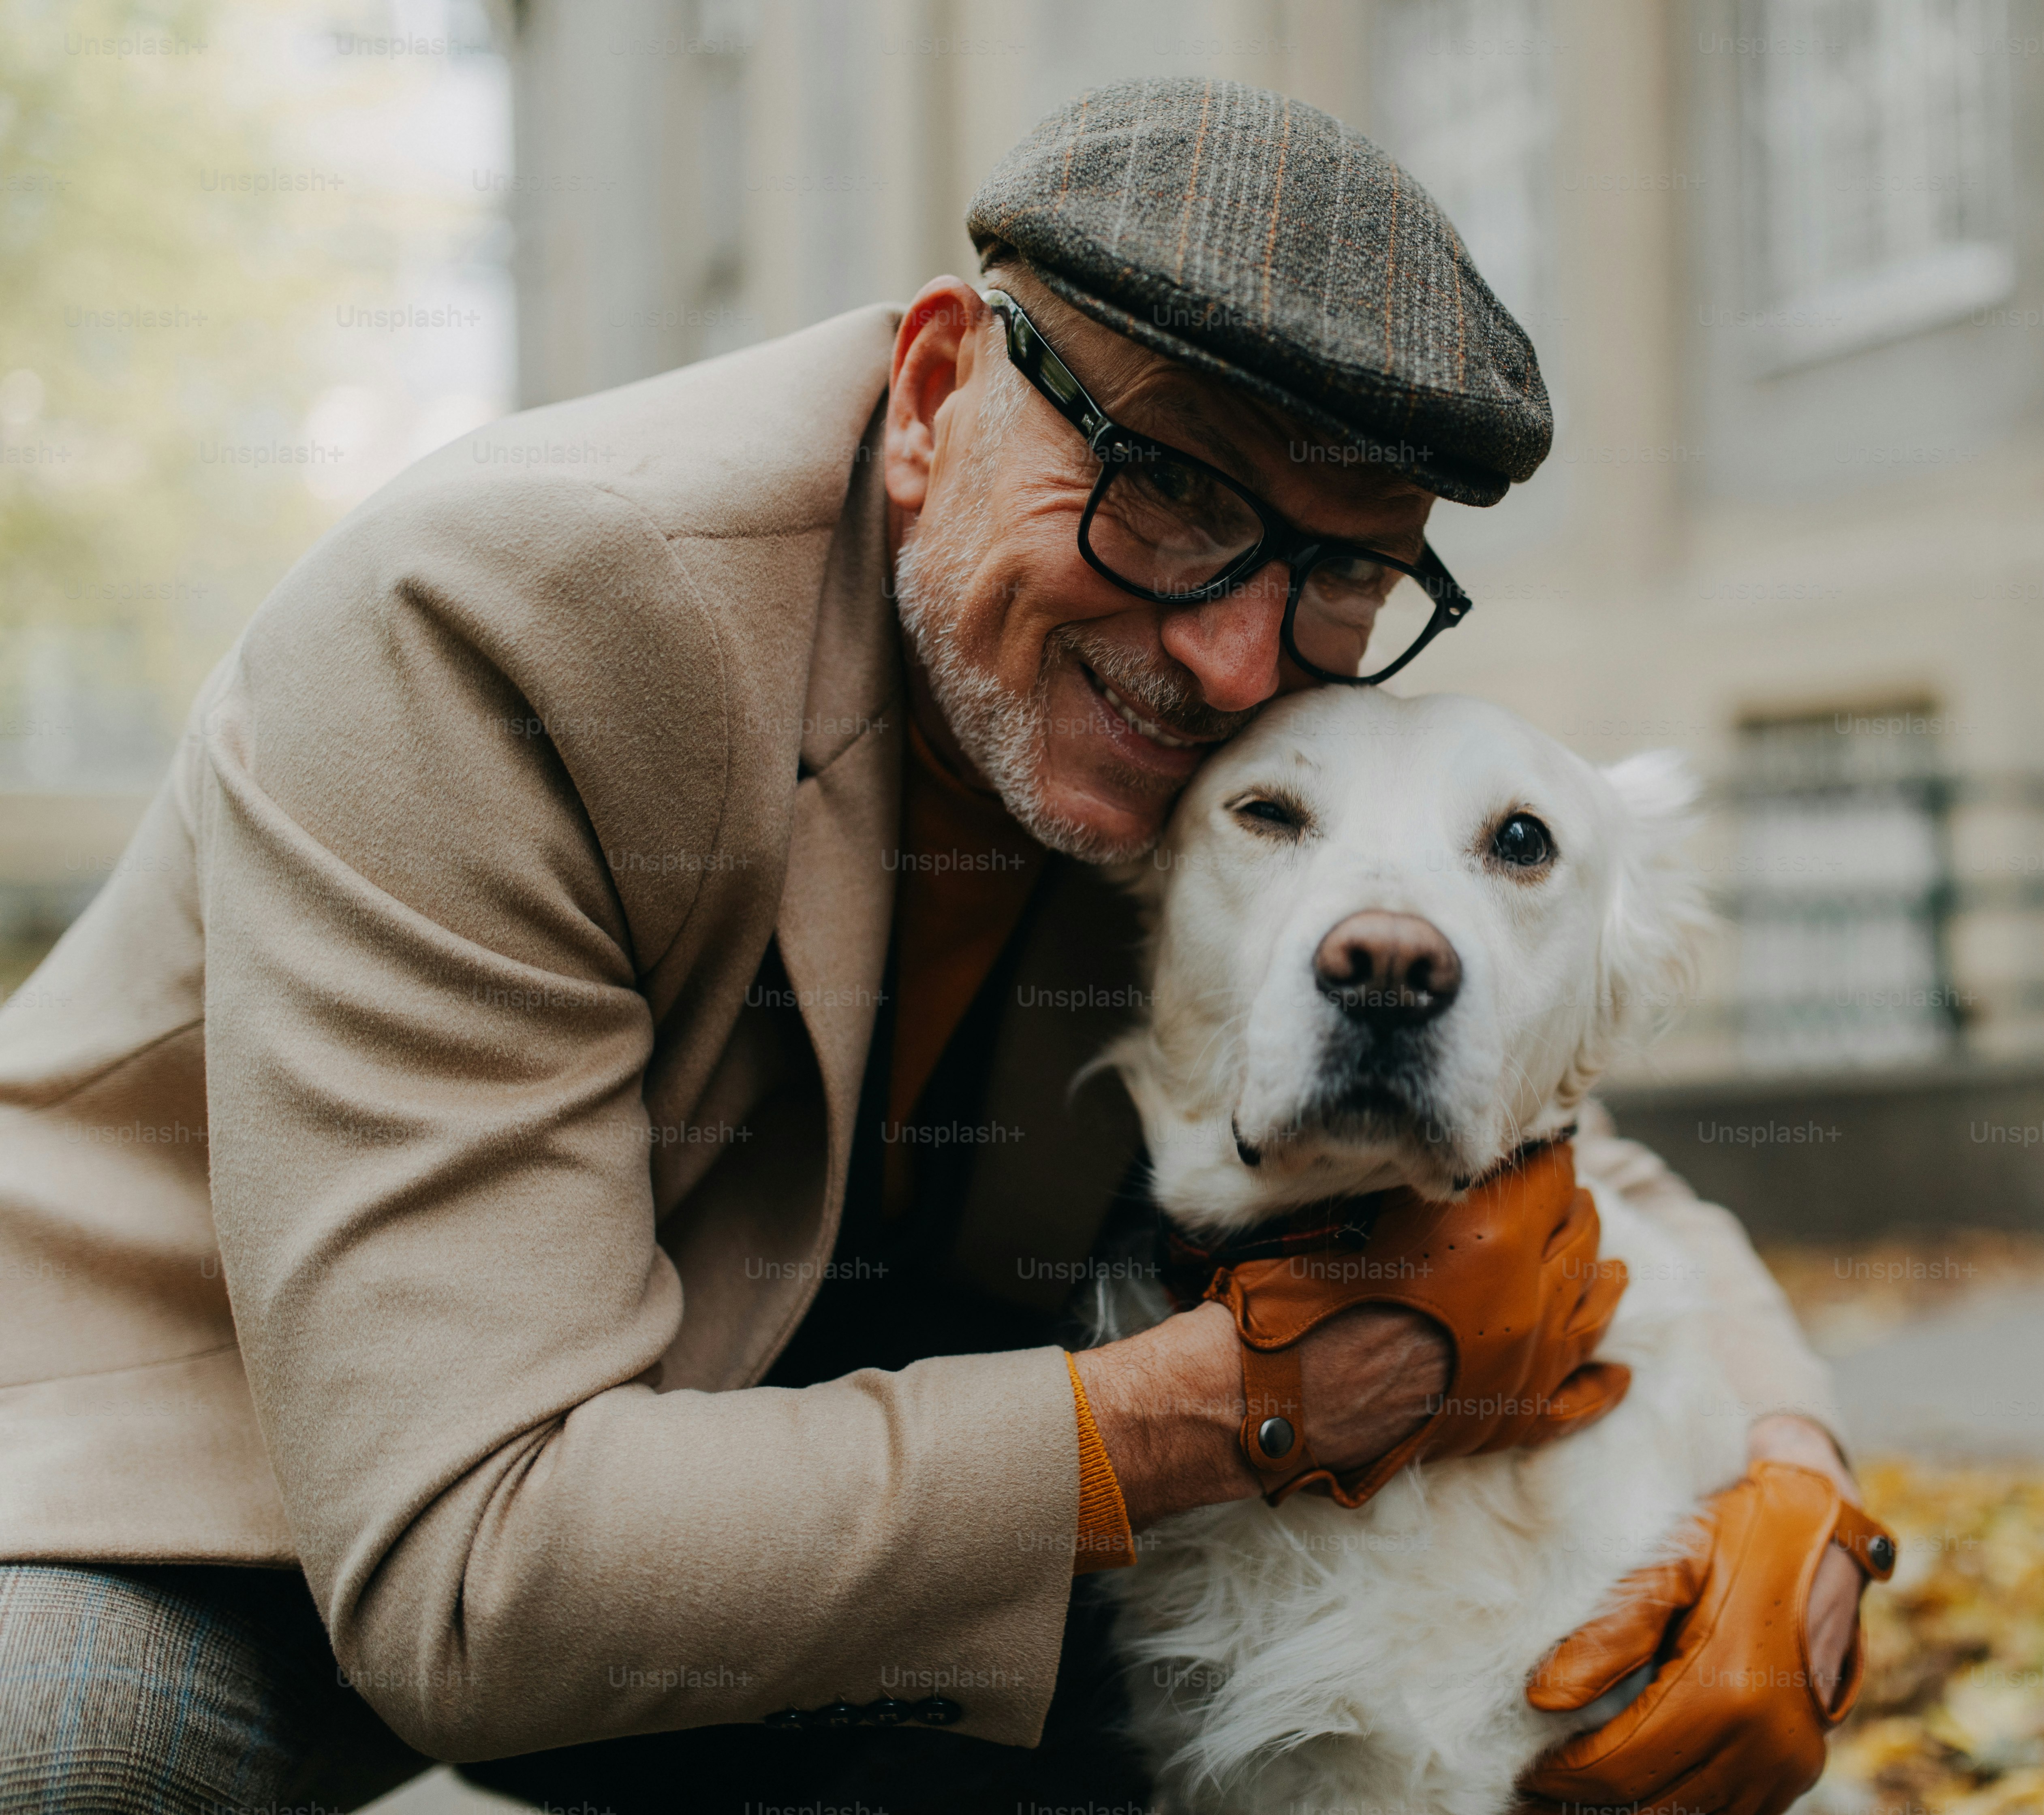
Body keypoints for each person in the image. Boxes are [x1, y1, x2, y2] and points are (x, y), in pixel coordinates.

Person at [0, 77, 1875, 1814]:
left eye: (1344, 569)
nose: (1235, 662)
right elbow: (479, 1579)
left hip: (836, 1458)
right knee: (47, 1751)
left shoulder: (1183, 736)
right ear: (930, 397)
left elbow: (1566, 1140)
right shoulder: (500, 627)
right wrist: (1241, 1406)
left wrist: (1797, 1467)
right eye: (1175, 490)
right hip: (250, 1482)